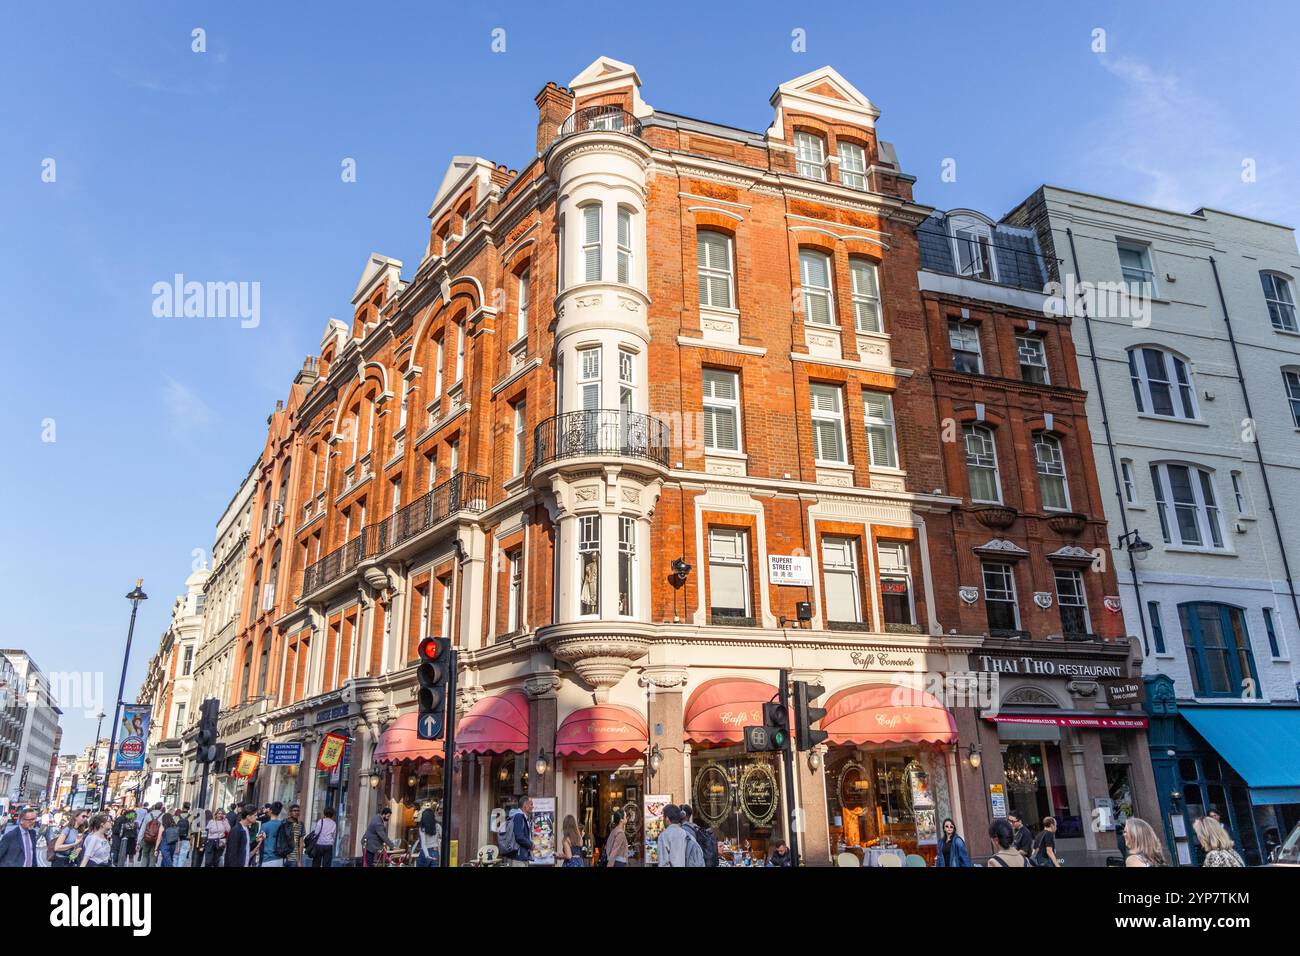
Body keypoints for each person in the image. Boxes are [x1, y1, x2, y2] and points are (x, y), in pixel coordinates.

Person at [502, 798, 534, 867]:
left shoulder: (521, 817)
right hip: (518, 858)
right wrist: (531, 845)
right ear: (525, 805)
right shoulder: (519, 816)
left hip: (520, 857)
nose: (532, 807)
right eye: (531, 804)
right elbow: (519, 837)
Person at [258, 802, 287, 868]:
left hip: (268, 858)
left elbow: (260, 842)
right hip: (281, 859)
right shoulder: (283, 825)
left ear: (270, 811)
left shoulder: (265, 826)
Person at [138, 802, 164, 867]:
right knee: (153, 857)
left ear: (154, 807)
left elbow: (142, 829)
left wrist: (139, 841)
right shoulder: (163, 816)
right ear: (161, 808)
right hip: (156, 840)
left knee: (145, 856)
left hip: (146, 839)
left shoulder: (148, 815)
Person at [175, 803, 193, 868]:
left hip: (177, 839)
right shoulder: (191, 817)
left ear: (183, 807)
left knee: (176, 856)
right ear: (189, 808)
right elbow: (192, 830)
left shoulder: (177, 817)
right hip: (186, 839)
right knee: (182, 857)